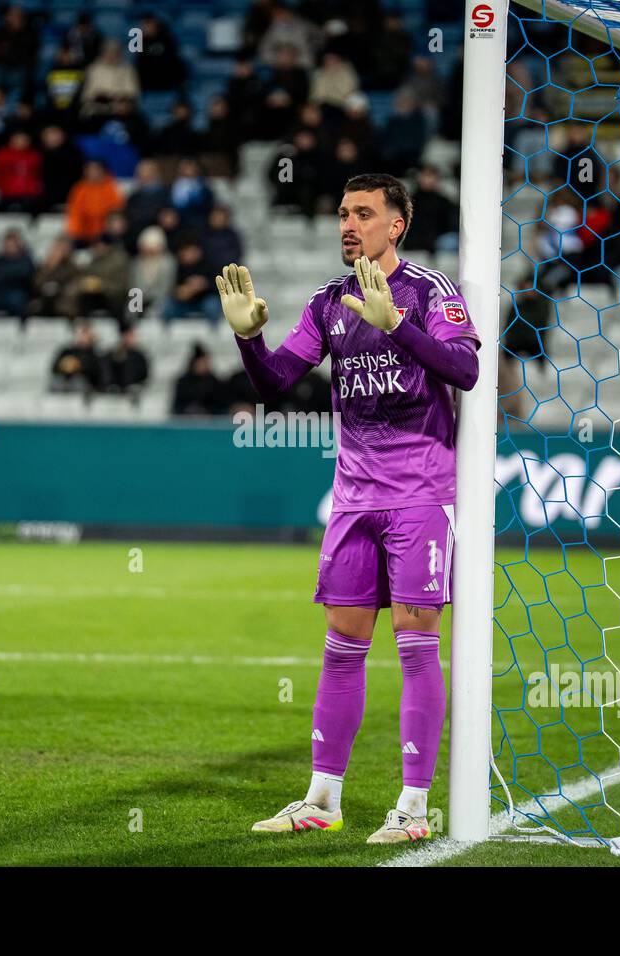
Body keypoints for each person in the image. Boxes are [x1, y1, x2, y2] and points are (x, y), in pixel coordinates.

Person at [219, 173, 480, 843]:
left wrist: (396, 325)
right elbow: (277, 382)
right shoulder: (328, 303)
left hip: (421, 493)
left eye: (363, 213)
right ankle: (322, 800)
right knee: (341, 651)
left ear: (396, 224)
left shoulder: (430, 291)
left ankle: (416, 808)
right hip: (354, 499)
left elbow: (466, 370)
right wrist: (249, 339)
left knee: (418, 649)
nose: (348, 224)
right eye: (342, 213)